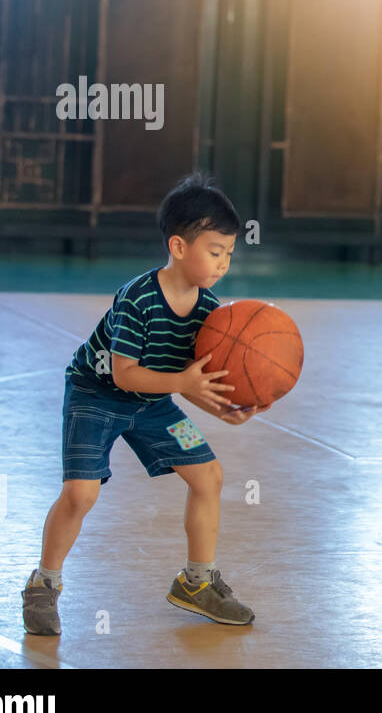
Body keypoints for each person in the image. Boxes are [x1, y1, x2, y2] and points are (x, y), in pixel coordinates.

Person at [21, 173, 269, 635]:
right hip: (96, 396)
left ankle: (196, 582)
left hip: (152, 403)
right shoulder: (137, 298)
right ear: (178, 246)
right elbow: (123, 373)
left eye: (230, 254)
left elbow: (200, 382)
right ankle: (43, 584)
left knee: (209, 475)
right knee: (82, 494)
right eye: (215, 252)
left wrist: (228, 410)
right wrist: (184, 384)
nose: (223, 264)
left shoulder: (211, 313)